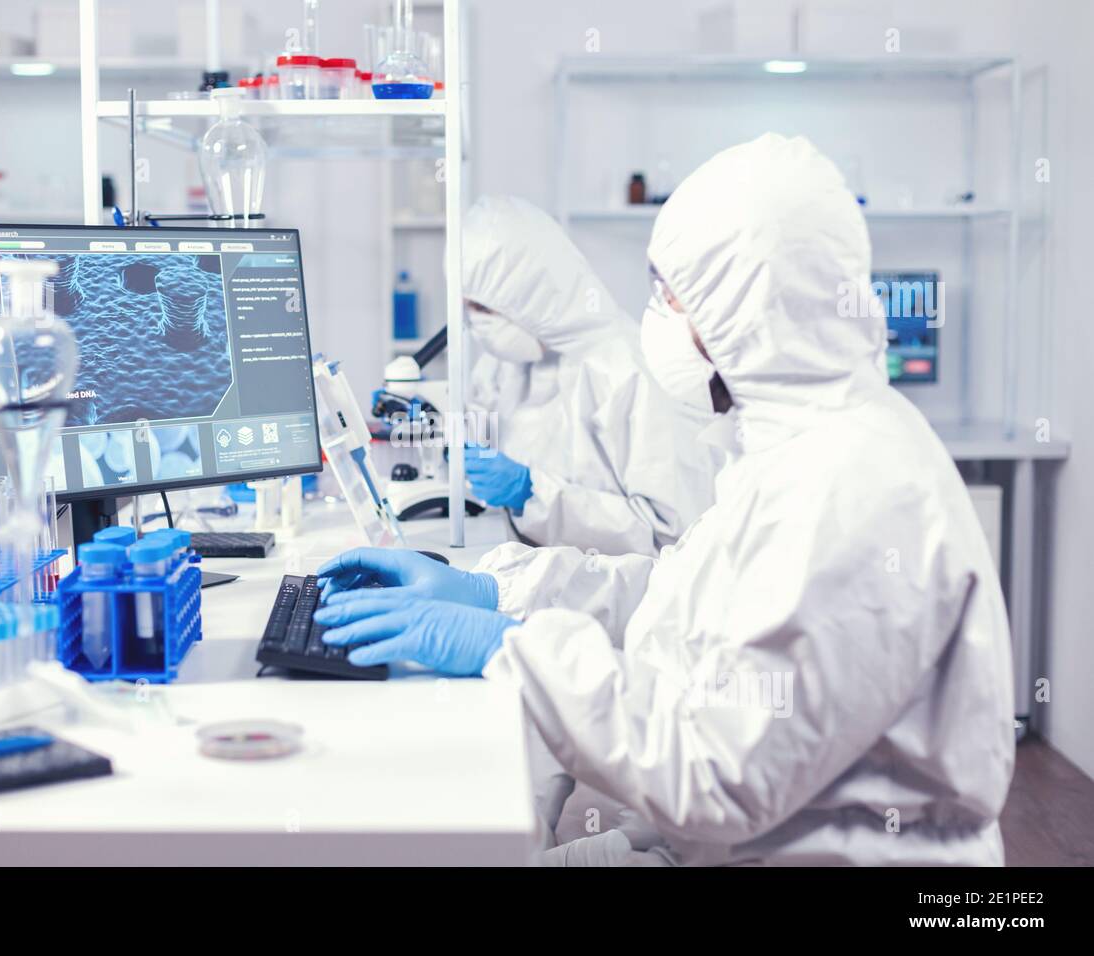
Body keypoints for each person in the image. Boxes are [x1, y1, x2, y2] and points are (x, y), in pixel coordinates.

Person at [312, 134, 1015, 866]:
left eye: (673, 296)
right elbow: (676, 589)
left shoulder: (853, 486)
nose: (658, 318)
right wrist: (493, 590)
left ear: (748, 307)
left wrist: (511, 650)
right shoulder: (788, 447)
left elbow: (716, 772)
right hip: (724, 839)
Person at [461, 195, 719, 556]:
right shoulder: (505, 362)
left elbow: (669, 535)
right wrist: (431, 424)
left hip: (620, 601)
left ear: (528, 296)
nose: (476, 323)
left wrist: (533, 493)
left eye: (483, 308)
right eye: (467, 307)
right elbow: (477, 439)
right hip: (536, 574)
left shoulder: (630, 372)